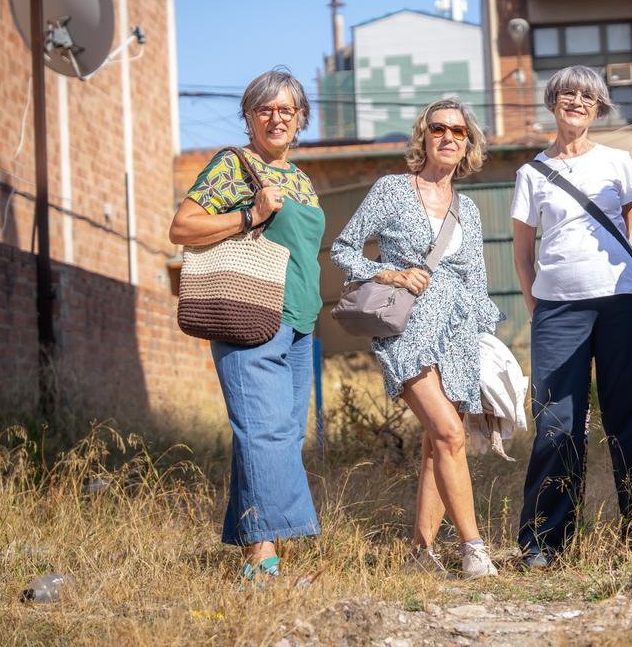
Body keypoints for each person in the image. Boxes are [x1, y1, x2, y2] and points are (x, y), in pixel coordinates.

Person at [330, 99, 501, 579]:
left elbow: (477, 280)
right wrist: (388, 272)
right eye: (438, 128)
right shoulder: (391, 190)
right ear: (423, 136)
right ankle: (474, 549)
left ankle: (421, 554)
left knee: (435, 444)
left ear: (469, 144)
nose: (448, 137)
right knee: (450, 433)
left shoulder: (467, 208)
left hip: (457, 333)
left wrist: (487, 342)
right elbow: (344, 249)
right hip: (404, 330)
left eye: (458, 132)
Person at [169, 69, 324, 581]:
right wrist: (247, 217)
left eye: (286, 109)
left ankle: (264, 550)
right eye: (265, 109)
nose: (276, 117)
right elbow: (182, 227)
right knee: (262, 433)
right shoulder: (233, 167)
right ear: (249, 117)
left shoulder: (301, 179)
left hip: (299, 322)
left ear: (301, 118)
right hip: (250, 313)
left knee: (280, 435)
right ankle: (262, 561)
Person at [512, 65, 632, 568]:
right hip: (557, 311)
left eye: (587, 96)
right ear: (552, 103)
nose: (576, 101)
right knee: (556, 424)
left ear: (599, 108)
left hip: (622, 304)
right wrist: (539, 309)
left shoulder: (618, 161)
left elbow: (625, 230)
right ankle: (543, 543)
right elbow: (522, 253)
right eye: (567, 94)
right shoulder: (530, 173)